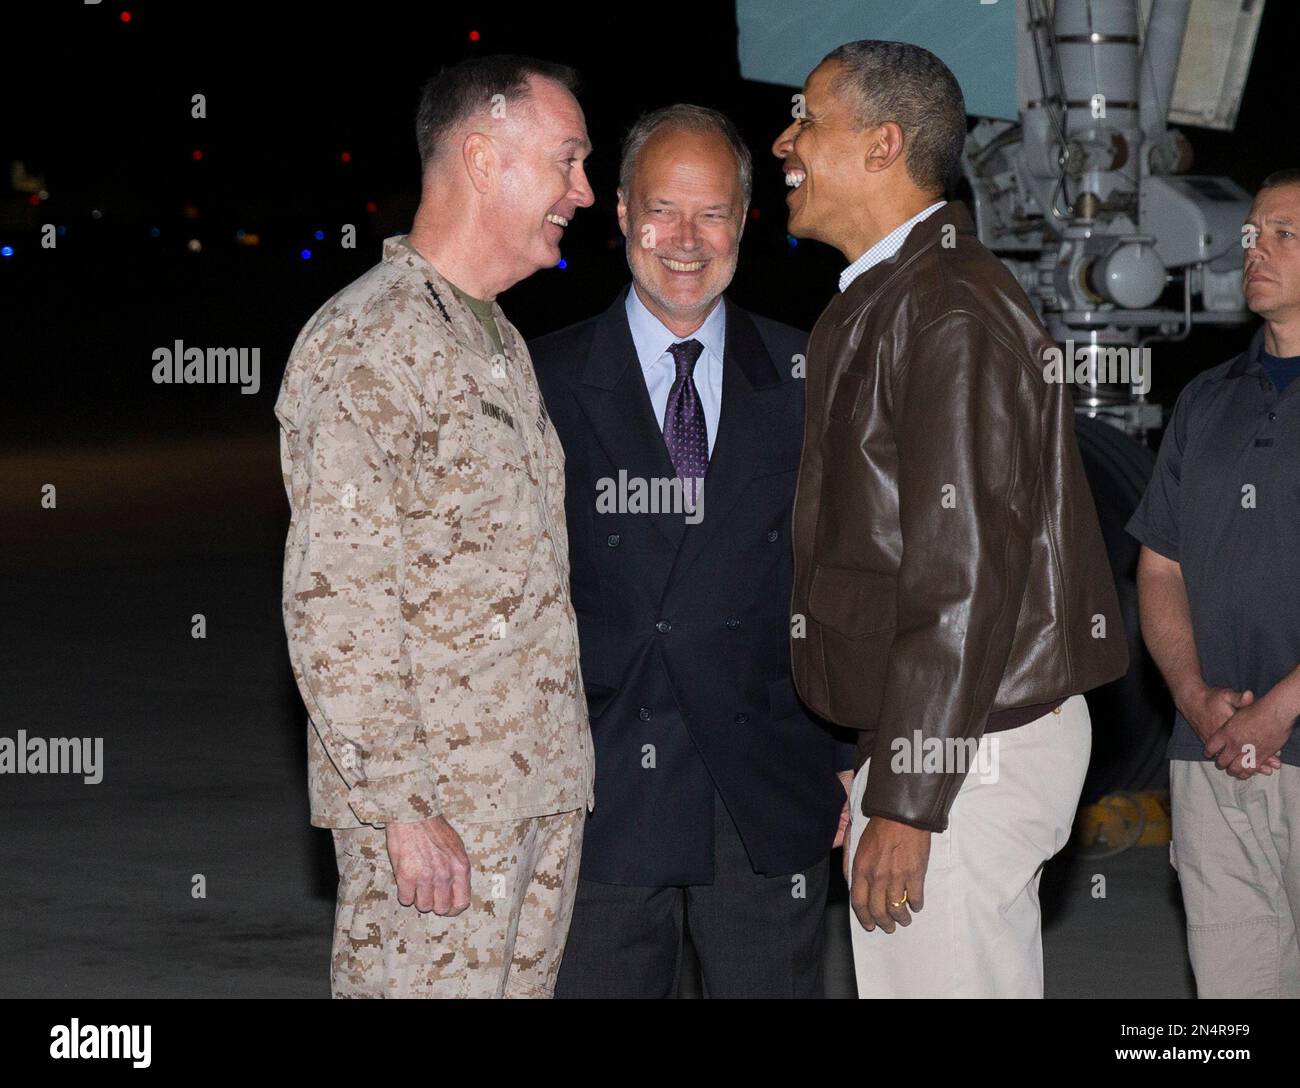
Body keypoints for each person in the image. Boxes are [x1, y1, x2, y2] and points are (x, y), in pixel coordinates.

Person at [773, 40, 1128, 998]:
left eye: (807, 116)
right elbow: (899, 570)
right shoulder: (897, 296)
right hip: (950, 738)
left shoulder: (949, 309)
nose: (783, 141)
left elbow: (962, 570)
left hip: (976, 745)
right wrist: (880, 758)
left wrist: (913, 798)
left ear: (884, 145)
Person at [275, 54, 596, 998]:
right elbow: (338, 607)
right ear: (483, 157)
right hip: (439, 813)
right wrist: (404, 810)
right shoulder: (373, 342)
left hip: (532, 790)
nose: (583, 191)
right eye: (567, 160)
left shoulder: (495, 338)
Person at [531, 104, 855, 998]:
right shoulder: (537, 379)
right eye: (663, 210)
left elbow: (846, 578)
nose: (685, 239)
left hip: (763, 791)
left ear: (744, 221)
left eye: (711, 213)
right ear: (623, 215)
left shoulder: (809, 373)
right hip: (598, 794)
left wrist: (848, 753)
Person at [1127, 169, 1300, 999]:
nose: (1254, 249)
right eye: (1251, 233)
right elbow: (1160, 565)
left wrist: (1281, 708)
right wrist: (1198, 701)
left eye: (1284, 234)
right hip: (1213, 758)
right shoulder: (1203, 400)